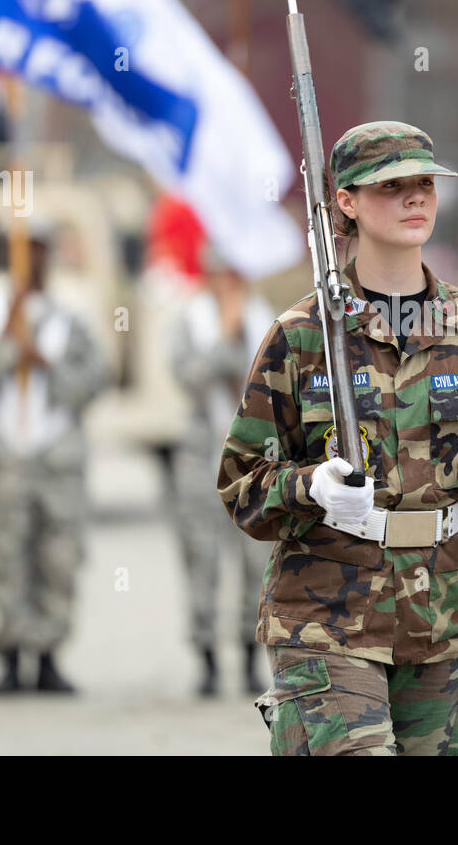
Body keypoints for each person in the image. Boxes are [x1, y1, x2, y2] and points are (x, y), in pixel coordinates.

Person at [217, 121, 458, 756]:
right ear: (346, 202)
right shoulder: (304, 334)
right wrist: (307, 486)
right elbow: (239, 483)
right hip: (325, 614)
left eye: (424, 184)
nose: (415, 198)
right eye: (392, 186)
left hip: (440, 613)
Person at [0, 219, 110, 694]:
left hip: (55, 455)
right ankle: (10, 653)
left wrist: (48, 364)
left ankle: (47, 652)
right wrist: (11, 348)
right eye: (26, 252)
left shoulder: (70, 320)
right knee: (6, 555)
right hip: (6, 452)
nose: (34, 262)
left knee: (57, 556)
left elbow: (95, 379)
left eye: (42, 251)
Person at [169, 246, 274, 695]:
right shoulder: (188, 323)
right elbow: (187, 378)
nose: (226, 283)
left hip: (254, 460)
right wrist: (224, 339)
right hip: (202, 456)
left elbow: (274, 386)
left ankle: (249, 656)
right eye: (218, 275)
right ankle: (207, 656)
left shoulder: (266, 322)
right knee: (202, 557)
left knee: (256, 562)